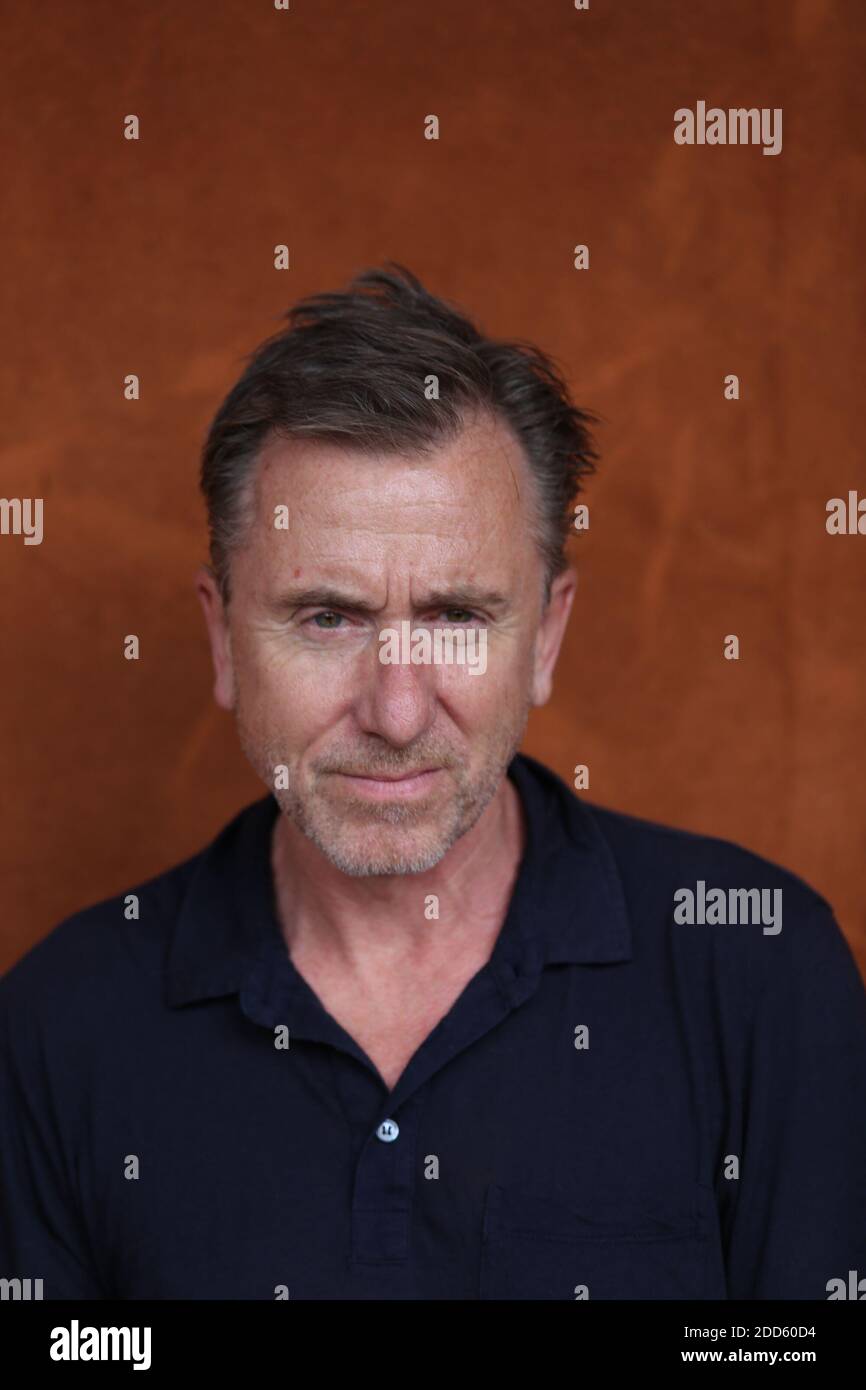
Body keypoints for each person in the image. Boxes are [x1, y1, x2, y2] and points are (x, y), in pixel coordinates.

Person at [2, 264, 865, 1301]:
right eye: (327, 618)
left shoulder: (758, 969)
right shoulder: (55, 1029)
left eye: (458, 616)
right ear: (220, 637)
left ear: (544, 636)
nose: (396, 713)